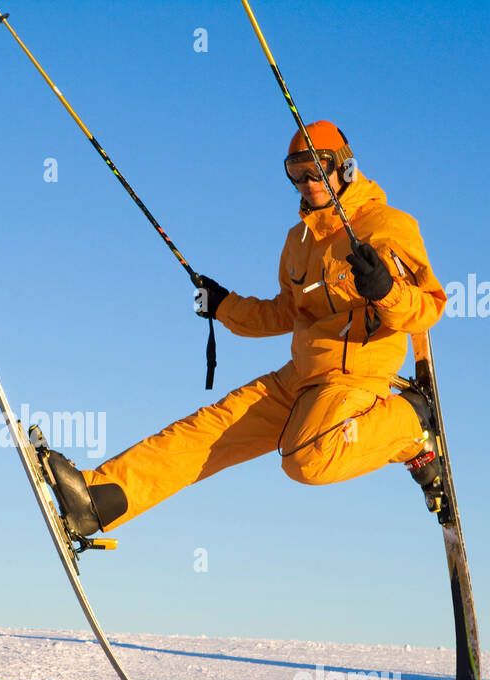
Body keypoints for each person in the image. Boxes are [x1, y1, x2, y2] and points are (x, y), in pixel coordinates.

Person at [43, 120, 448, 538]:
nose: (306, 183)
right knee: (211, 428)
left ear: (345, 167)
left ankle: (410, 425)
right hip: (301, 377)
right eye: (295, 174)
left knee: (305, 459)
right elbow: (286, 313)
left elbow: (428, 310)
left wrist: (385, 291)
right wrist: (223, 306)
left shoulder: (386, 226)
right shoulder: (299, 241)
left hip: (355, 379)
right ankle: (99, 500)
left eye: (316, 170)